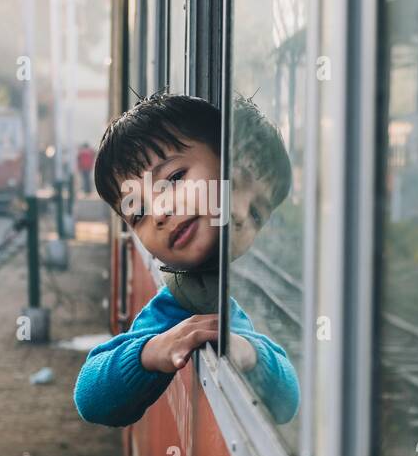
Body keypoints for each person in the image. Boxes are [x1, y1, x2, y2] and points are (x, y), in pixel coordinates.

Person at [73, 92, 299, 428]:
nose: (161, 212)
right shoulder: (182, 302)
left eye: (255, 213)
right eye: (140, 214)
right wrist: (153, 351)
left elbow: (287, 401)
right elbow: (90, 398)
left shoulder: (229, 291)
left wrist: (250, 354)